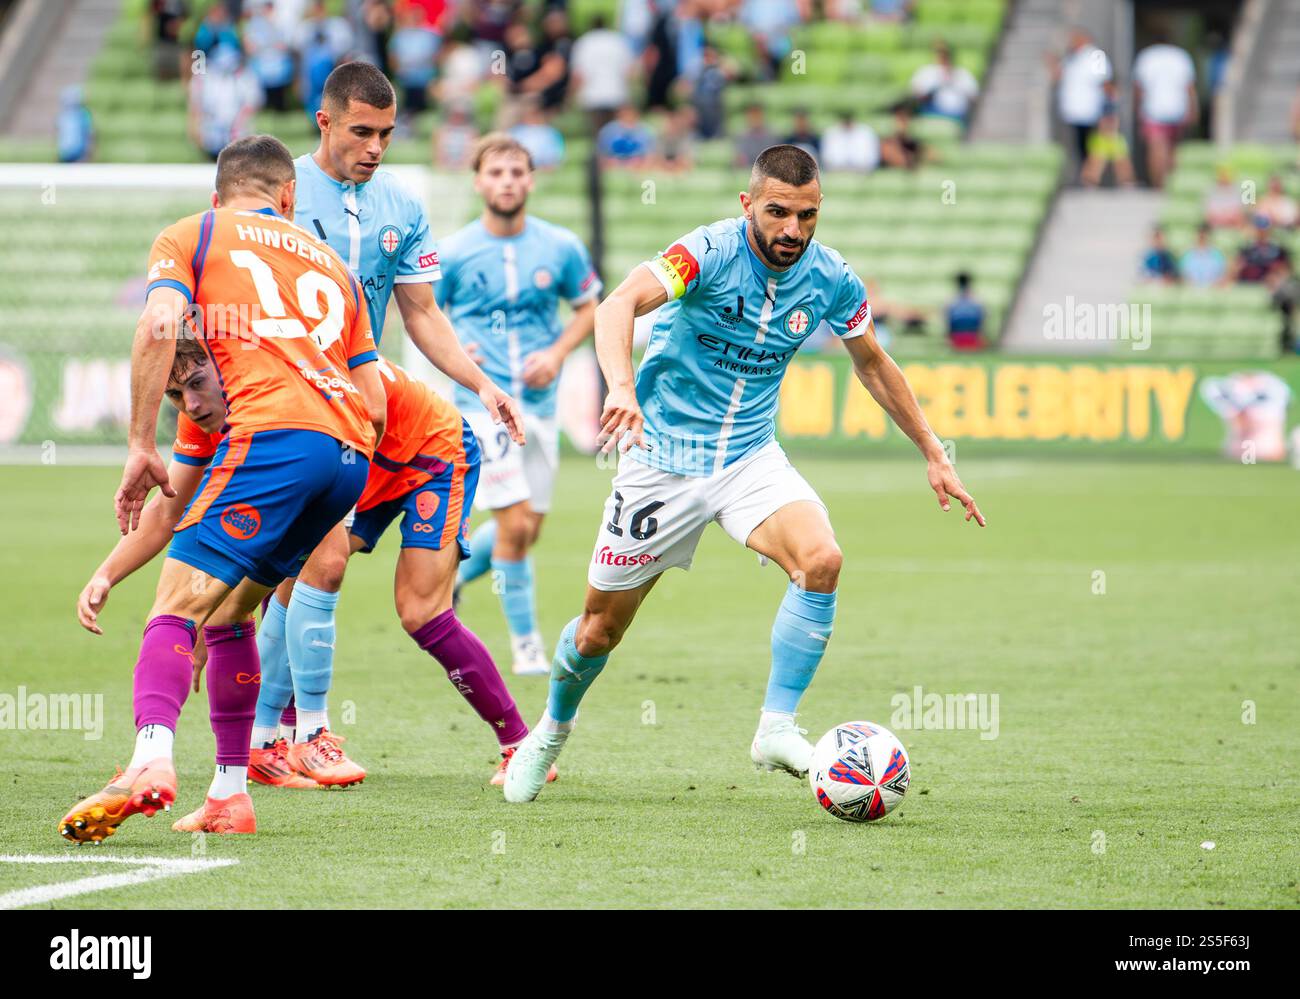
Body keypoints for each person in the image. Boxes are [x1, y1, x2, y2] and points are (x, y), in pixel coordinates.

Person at [501, 144, 985, 803]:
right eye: (779, 212)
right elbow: (617, 305)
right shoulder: (706, 251)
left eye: (808, 215)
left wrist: (933, 449)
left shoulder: (832, 277)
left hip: (749, 457)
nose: (793, 229)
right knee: (597, 631)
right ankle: (550, 731)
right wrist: (621, 387)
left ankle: (775, 726)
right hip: (662, 460)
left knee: (822, 559)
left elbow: (872, 362)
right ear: (748, 204)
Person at [59, 134, 385, 841]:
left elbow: (159, 322)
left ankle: (149, 758)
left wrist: (141, 442)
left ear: (219, 195)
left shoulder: (196, 231)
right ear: (288, 198)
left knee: (174, 606)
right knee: (233, 614)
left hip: (277, 435)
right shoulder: (334, 265)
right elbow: (377, 401)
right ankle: (230, 795)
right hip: (349, 454)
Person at [251, 62, 524, 787]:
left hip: (358, 408)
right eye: (362, 132)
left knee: (307, 572)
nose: (375, 147)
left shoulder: (401, 204)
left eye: (386, 133)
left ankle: (271, 740)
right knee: (316, 565)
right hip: (285, 403)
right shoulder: (279, 192)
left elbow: (423, 314)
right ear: (325, 122)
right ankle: (301, 733)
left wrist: (482, 384)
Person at [441, 134, 601, 676]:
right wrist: (456, 350)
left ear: (531, 180)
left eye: (517, 172)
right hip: (480, 405)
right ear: (479, 181)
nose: (507, 181)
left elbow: (588, 307)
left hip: (539, 404)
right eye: (496, 172)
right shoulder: (457, 251)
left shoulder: (559, 246)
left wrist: (557, 354)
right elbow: (422, 317)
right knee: (512, 526)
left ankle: (454, 578)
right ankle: (528, 647)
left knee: (528, 527)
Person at [1132, 36, 1197, 188]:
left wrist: (1137, 109)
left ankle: (1158, 185)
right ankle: (1172, 185)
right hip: (1177, 108)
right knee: (1173, 150)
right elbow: (1189, 87)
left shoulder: (1146, 56)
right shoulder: (1181, 56)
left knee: (1156, 149)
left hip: (1153, 109)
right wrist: (1193, 109)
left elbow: (1138, 88)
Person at [1049, 27, 1112, 175]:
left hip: (1091, 108)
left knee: (1092, 145)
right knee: (1078, 145)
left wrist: (1109, 109)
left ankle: (1090, 175)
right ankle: (1084, 175)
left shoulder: (1096, 55)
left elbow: (1104, 83)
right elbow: (1058, 77)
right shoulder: (1071, 57)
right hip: (1073, 109)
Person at [187, 44, 263, 161]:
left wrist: (238, 126)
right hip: (211, 133)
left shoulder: (246, 77)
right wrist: (196, 128)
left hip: (237, 135)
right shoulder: (202, 78)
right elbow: (196, 108)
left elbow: (253, 102)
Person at [569, 13, 636, 131]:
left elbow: (578, 74)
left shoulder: (584, 42)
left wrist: (571, 95)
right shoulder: (618, 41)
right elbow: (629, 71)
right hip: (616, 93)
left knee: (598, 134)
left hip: (592, 96)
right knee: (615, 133)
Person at [388, 0, 441, 118]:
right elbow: (393, 58)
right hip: (405, 79)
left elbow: (436, 58)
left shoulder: (431, 35)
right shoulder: (400, 36)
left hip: (425, 80)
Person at [242, 1, 294, 112]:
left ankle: (279, 107)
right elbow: (250, 46)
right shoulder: (255, 24)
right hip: (261, 63)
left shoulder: (281, 23)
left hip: (278, 63)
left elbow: (285, 46)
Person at [909, 41, 979, 123]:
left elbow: (974, 96)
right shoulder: (926, 72)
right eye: (939, 54)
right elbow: (915, 92)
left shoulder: (962, 74)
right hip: (932, 111)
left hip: (958, 113)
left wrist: (954, 81)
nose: (942, 57)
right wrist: (934, 87)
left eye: (945, 54)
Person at [1079, 108, 1135, 187]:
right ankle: (1090, 180)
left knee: (1122, 160)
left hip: (1114, 139)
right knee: (1096, 159)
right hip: (1101, 139)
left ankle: (1126, 180)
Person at [509, 99, 566, 170]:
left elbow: (557, 155)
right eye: (529, 113)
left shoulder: (551, 133)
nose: (532, 117)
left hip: (546, 168)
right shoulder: (515, 132)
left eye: (535, 113)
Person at [1232, 216, 1290, 284]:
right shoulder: (1247, 248)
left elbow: (1285, 269)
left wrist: (1276, 276)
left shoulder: (1277, 248)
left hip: (1270, 285)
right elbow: (1237, 267)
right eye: (1259, 230)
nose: (1261, 232)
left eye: (1264, 230)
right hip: (1249, 284)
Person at [946, 272, 985, 350]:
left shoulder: (951, 299)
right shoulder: (977, 299)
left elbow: (949, 319)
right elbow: (981, 318)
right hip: (970, 335)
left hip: (960, 335)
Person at [56, 86, 94, 163]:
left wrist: (88, 151)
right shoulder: (62, 115)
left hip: (80, 153)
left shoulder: (83, 114)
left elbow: (89, 133)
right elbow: (60, 134)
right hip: (65, 153)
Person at [734, 102, 777, 168]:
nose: (755, 119)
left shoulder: (772, 137)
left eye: (757, 115)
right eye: (752, 115)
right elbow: (739, 162)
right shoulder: (741, 138)